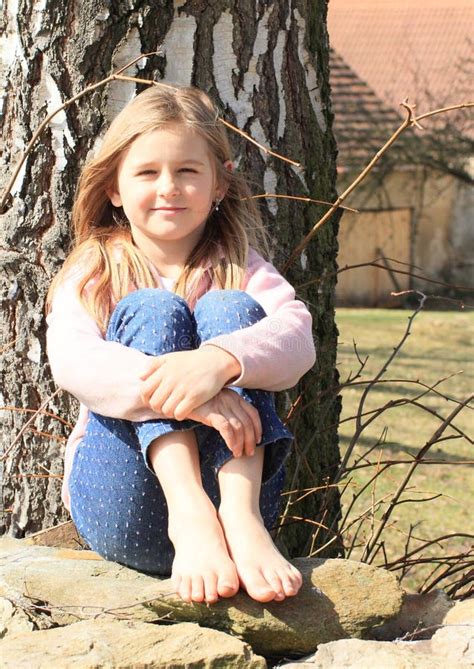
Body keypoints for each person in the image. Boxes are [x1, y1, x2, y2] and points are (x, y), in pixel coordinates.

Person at [45, 84, 316, 606]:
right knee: (153, 310)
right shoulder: (95, 269)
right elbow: (74, 363)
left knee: (233, 315)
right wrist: (197, 393)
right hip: (127, 503)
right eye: (147, 172)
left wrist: (219, 363)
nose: (168, 187)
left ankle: (239, 517)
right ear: (115, 189)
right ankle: (190, 513)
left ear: (218, 183)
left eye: (188, 171)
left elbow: (297, 338)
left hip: (236, 500)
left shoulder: (239, 265)